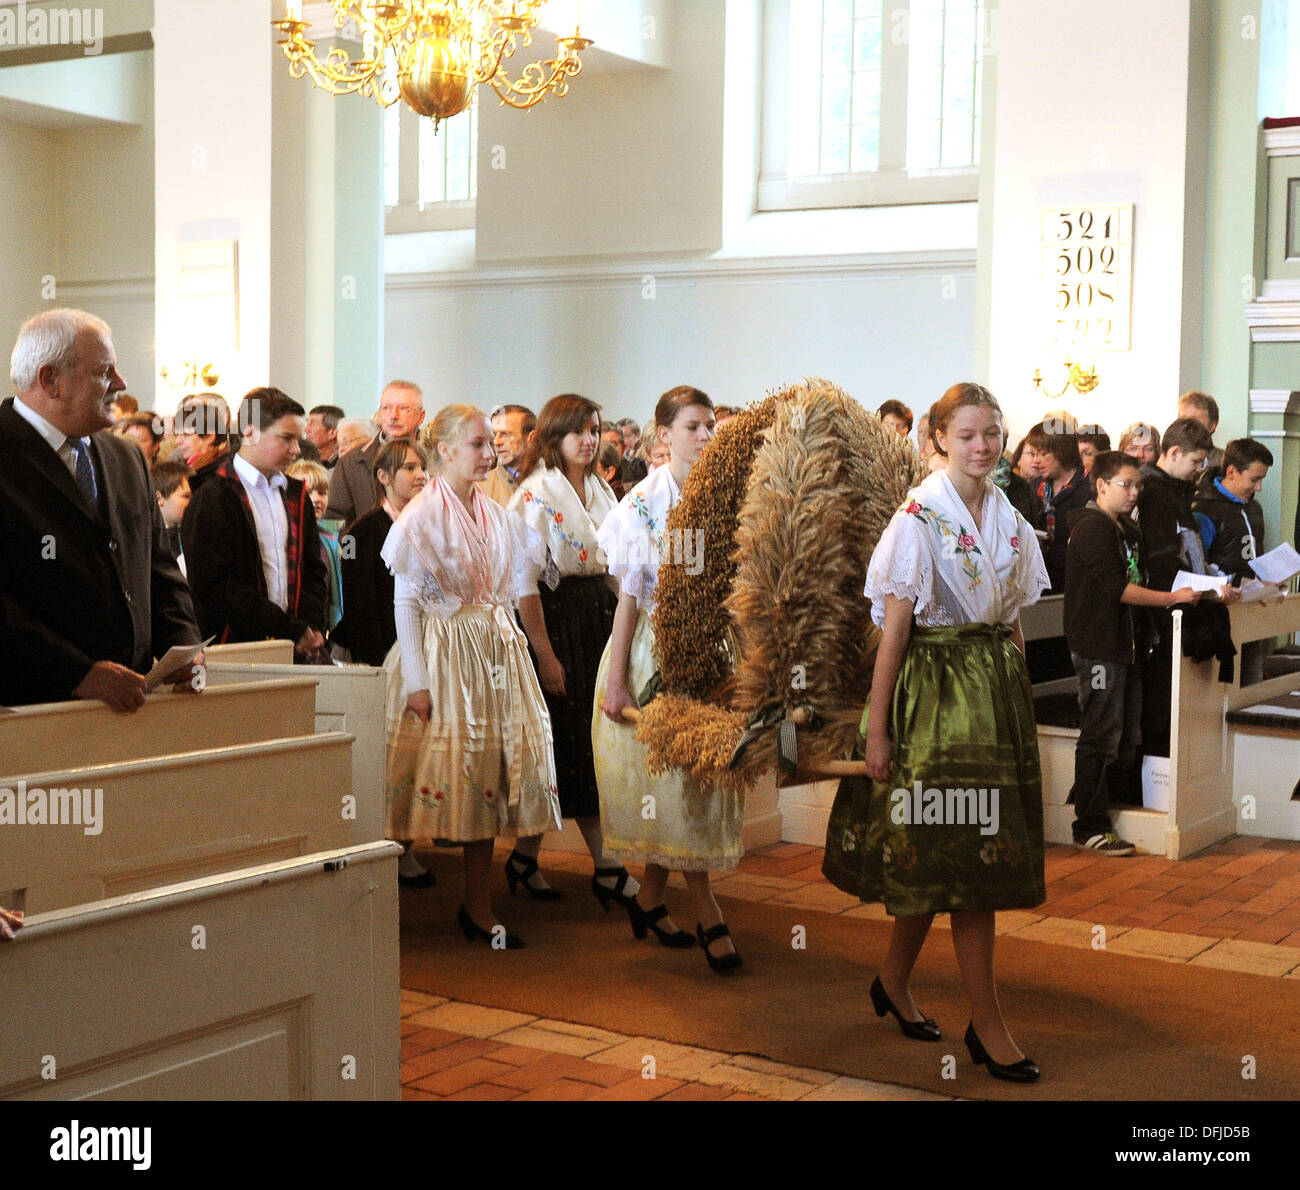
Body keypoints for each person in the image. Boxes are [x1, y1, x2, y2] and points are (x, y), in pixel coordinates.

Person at [821, 382, 1049, 1082]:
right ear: (938, 440)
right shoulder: (918, 519)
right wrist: (878, 730)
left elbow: (1012, 614)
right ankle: (988, 1023)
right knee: (966, 858)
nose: (983, 447)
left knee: (941, 855)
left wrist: (1019, 688)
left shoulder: (1006, 512)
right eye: (969, 435)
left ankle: (892, 983)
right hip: (936, 700)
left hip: (991, 694)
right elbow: (892, 633)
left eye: (993, 435)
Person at [383, 404, 561, 947]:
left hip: (493, 648)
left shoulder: (492, 509)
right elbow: (407, 604)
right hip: (444, 651)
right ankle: (387, 897)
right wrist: (416, 681)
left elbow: (518, 579)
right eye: (478, 445)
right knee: (431, 774)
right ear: (445, 452)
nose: (489, 454)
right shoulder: (421, 515)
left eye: (490, 444)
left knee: (490, 771)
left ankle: (477, 902)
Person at [595, 386, 744, 973]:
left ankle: (651, 900)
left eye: (710, 426)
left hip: (709, 650)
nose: (706, 437)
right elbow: (629, 600)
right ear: (663, 436)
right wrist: (616, 680)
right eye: (692, 427)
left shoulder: (724, 499)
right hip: (653, 651)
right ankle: (710, 912)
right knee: (677, 782)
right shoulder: (642, 505)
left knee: (694, 785)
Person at [0, 308, 203, 708]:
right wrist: (75, 673)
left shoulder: (124, 457)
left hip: (133, 707)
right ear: (50, 379)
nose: (121, 383)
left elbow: (159, 568)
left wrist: (184, 646)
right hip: (33, 711)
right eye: (104, 372)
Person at [508, 394, 639, 911]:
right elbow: (524, 584)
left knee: (578, 742)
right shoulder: (535, 493)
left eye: (595, 430)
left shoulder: (602, 488)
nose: (589, 440)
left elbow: (616, 567)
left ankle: (523, 858)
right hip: (557, 619)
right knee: (572, 740)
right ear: (554, 436)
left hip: (599, 616)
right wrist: (544, 652)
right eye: (579, 431)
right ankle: (608, 868)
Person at [1065, 452, 1200, 856]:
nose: (1135, 492)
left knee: (1128, 736)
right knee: (1101, 736)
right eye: (1126, 484)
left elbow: (1134, 576)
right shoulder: (1091, 528)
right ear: (1102, 484)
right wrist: (1170, 599)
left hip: (1129, 645)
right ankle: (1086, 824)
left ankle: (1110, 811)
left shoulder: (1126, 529)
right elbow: (1116, 589)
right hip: (1100, 647)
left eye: (1138, 485)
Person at [182, 388, 328, 658]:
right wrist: (288, 628)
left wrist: (310, 627)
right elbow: (214, 585)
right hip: (233, 647)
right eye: (287, 438)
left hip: (294, 646)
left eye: (298, 439)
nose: (297, 450)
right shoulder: (214, 493)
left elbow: (312, 572)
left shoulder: (296, 493)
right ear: (249, 433)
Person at [1135, 417, 1239, 757]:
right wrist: (1206, 589)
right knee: (1159, 712)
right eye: (1196, 462)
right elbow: (1162, 563)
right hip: (1163, 616)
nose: (1199, 471)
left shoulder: (1176, 492)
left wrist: (1214, 581)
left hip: (1182, 609)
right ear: (1175, 452)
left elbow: (1190, 549)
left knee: (1177, 711)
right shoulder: (1153, 493)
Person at [333, 437, 429, 667]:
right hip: (384, 653)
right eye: (409, 467)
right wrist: (379, 662)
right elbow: (360, 607)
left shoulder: (428, 525)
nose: (421, 475)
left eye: (423, 468)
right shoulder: (361, 532)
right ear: (383, 476)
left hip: (423, 646)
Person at [1193, 437, 1276, 684]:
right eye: (1254, 479)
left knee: (1251, 681)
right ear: (1231, 472)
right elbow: (1199, 563)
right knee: (1221, 686)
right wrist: (1227, 584)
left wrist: (1267, 581)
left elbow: (1253, 553)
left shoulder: (1254, 508)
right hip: (1220, 611)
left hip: (1251, 604)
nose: (1259, 488)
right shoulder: (1204, 509)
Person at [327, 380, 424, 526]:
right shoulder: (351, 462)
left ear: (421, 417)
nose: (393, 416)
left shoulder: (438, 459)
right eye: (386, 408)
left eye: (403, 408)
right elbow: (337, 521)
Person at [1025, 418, 1088, 593]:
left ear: (1062, 451)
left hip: (1079, 579)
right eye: (1033, 454)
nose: (1037, 461)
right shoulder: (1035, 486)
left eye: (1043, 453)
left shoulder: (1088, 486)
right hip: (1045, 579)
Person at [287, 459, 343, 634]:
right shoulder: (288, 538)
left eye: (322, 492)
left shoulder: (330, 539)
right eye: (308, 492)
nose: (317, 499)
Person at [174, 392, 235, 494]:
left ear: (209, 437)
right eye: (177, 435)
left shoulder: (218, 478)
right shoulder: (190, 468)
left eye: (186, 435)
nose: (178, 441)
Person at [479, 403, 535, 507]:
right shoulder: (479, 489)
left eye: (505, 434)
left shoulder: (553, 483)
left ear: (530, 438)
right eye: (494, 435)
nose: (496, 442)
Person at [152, 459, 193, 569]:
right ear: (159, 498)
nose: (191, 503)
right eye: (186, 496)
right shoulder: (150, 543)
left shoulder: (190, 533)